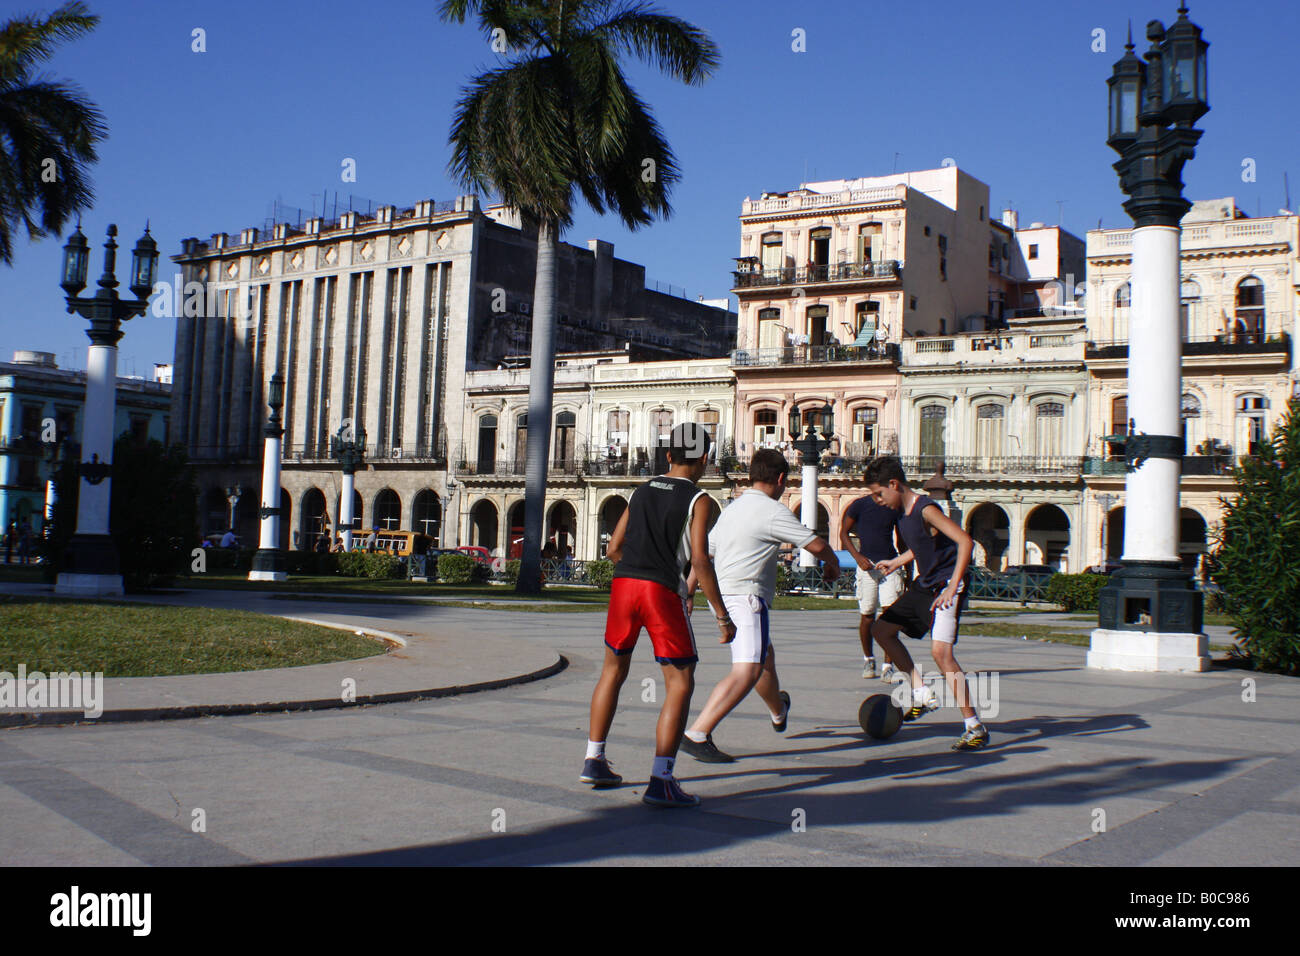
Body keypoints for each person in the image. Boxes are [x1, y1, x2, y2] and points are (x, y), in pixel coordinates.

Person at [582, 422, 733, 808]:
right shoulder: (701, 501)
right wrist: (721, 615)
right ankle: (661, 779)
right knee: (680, 680)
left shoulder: (641, 490)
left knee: (612, 670)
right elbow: (700, 559)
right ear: (704, 459)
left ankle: (594, 758)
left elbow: (614, 547)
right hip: (660, 589)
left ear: (668, 455)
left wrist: (634, 567)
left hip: (623, 584)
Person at [679, 449, 840, 763]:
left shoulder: (733, 508)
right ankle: (697, 733)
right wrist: (832, 563)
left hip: (723, 597)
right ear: (781, 480)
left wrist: (688, 591)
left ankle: (778, 710)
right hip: (746, 598)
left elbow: (705, 556)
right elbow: (816, 544)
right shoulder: (772, 510)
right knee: (749, 668)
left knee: (763, 658)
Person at [863, 456, 988, 751]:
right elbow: (922, 547)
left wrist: (953, 587)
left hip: (946, 584)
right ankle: (920, 692)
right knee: (881, 630)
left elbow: (965, 542)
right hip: (927, 584)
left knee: (941, 654)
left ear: (894, 484)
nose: (878, 501)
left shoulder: (926, 508)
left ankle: (975, 727)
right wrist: (896, 561)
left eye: (879, 494)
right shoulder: (903, 515)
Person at [841, 489, 906, 682]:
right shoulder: (860, 505)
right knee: (868, 615)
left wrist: (905, 565)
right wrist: (858, 557)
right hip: (867, 565)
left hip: (890, 565)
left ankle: (888, 666)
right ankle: (868, 659)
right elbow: (843, 533)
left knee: (891, 616)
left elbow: (901, 538)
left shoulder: (894, 506)